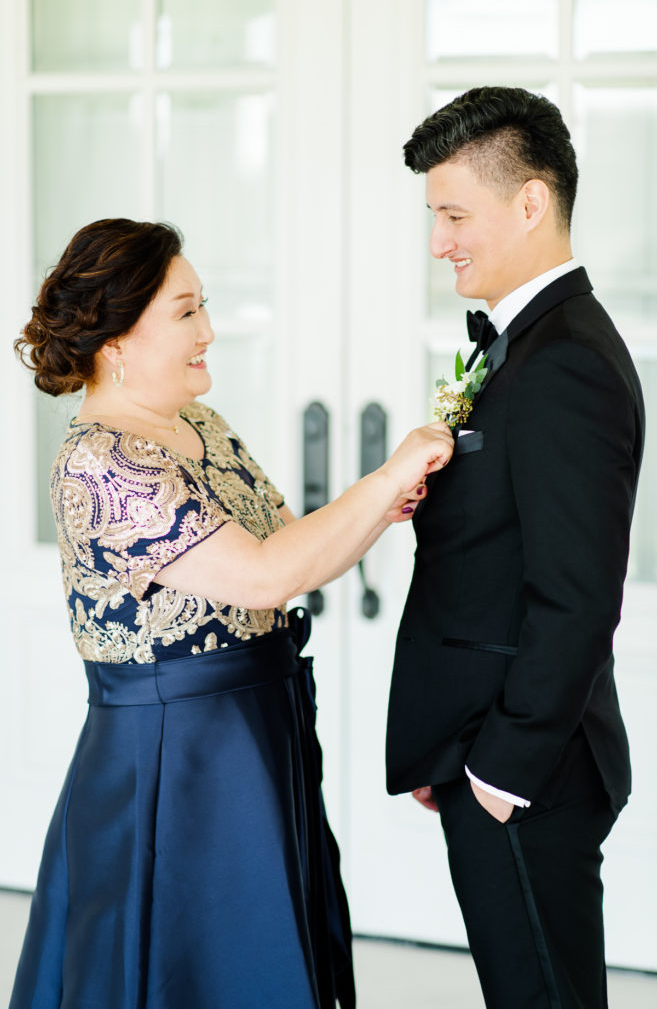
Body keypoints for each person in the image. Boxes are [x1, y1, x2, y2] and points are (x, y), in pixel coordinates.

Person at [11, 217, 454, 1009]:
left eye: (202, 307)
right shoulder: (102, 458)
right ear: (117, 336)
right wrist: (387, 476)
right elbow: (259, 577)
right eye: (185, 313)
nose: (208, 330)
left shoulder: (198, 424)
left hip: (255, 730)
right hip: (174, 753)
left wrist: (381, 505)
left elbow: (287, 545)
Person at [385, 87, 645, 1008]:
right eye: (434, 216)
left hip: (525, 765)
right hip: (480, 743)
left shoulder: (565, 360)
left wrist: (500, 768)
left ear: (529, 203)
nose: (438, 242)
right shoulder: (521, 345)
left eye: (453, 214)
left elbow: (578, 595)